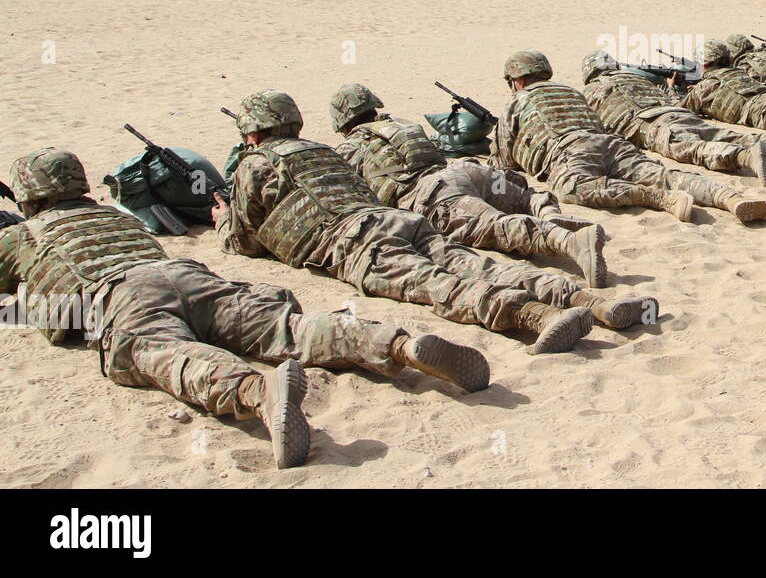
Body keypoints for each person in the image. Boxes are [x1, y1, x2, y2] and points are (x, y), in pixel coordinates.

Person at [0, 148, 492, 470]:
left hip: (123, 298)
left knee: (167, 356)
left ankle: (258, 391)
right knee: (289, 329)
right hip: (190, 276)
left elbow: (37, 306)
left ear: (28, 195)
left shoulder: (22, 236)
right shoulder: (112, 216)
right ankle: (398, 345)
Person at [218, 89, 612, 354]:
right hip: (398, 218)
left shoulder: (256, 164)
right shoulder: (322, 151)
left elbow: (245, 241)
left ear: (251, 133)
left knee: (436, 284)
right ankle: (586, 302)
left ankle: (537, 316)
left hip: (353, 240)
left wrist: (221, 219)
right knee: (478, 264)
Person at [328, 82, 609, 287]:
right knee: (527, 197)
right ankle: (550, 215)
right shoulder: (402, 125)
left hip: (435, 194)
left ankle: (570, 241)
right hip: (466, 172)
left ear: (342, 123)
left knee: (494, 226)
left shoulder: (352, 149)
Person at [493, 50, 766, 224]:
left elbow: (505, 158)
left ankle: (657, 199)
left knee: (572, 188)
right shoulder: (570, 92)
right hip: (610, 144)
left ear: (518, 79)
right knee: (666, 173)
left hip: (570, 152)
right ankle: (729, 197)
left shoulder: (517, 102)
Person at [580, 50, 766, 186]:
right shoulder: (635, 79)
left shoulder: (591, 92)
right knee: (731, 136)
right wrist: (671, 90)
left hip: (653, 125)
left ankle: (745, 158)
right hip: (679, 114)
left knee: (694, 149)